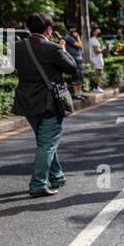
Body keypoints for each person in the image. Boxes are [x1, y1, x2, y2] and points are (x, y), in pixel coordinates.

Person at [12, 12, 79, 197]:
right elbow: (72, 68)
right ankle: (38, 184)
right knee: (47, 143)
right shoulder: (52, 49)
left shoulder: (16, 47)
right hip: (49, 103)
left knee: (45, 141)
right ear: (48, 29)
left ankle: (57, 176)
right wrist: (63, 50)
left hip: (27, 101)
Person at [88, 27, 105, 92]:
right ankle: (95, 88)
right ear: (94, 31)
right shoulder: (93, 40)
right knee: (97, 74)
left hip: (97, 58)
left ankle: (96, 87)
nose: (99, 31)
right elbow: (97, 51)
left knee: (98, 74)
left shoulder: (95, 39)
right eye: (97, 30)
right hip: (96, 58)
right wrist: (103, 48)